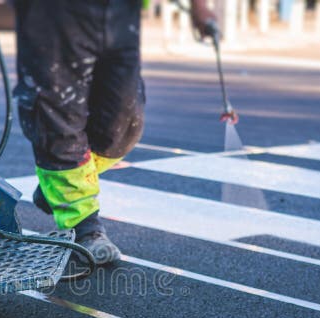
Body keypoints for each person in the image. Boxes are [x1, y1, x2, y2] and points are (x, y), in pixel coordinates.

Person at [13, 0, 217, 265]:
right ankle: (85, 229)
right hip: (53, 11)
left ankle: (58, 186)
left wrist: (199, 6)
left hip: (121, 10)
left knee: (123, 123)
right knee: (59, 119)